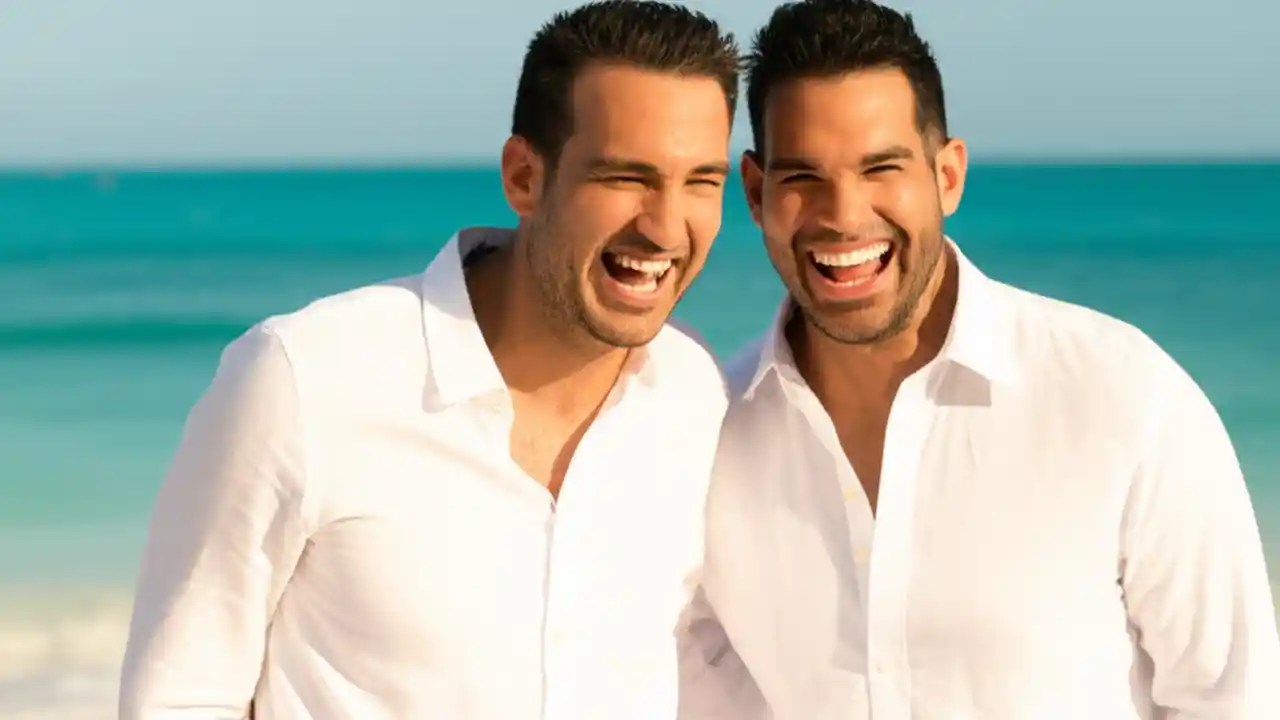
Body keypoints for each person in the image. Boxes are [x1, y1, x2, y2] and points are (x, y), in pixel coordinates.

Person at [119, 2, 740, 718]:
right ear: (523, 178)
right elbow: (180, 695)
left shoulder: (693, 398)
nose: (666, 226)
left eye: (701, 181)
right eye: (624, 177)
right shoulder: (304, 378)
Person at [678, 1, 1280, 718]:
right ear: (755, 192)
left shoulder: (1122, 398)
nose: (842, 214)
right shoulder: (710, 436)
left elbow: (1234, 698)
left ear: (948, 176)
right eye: (803, 176)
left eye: (881, 168)